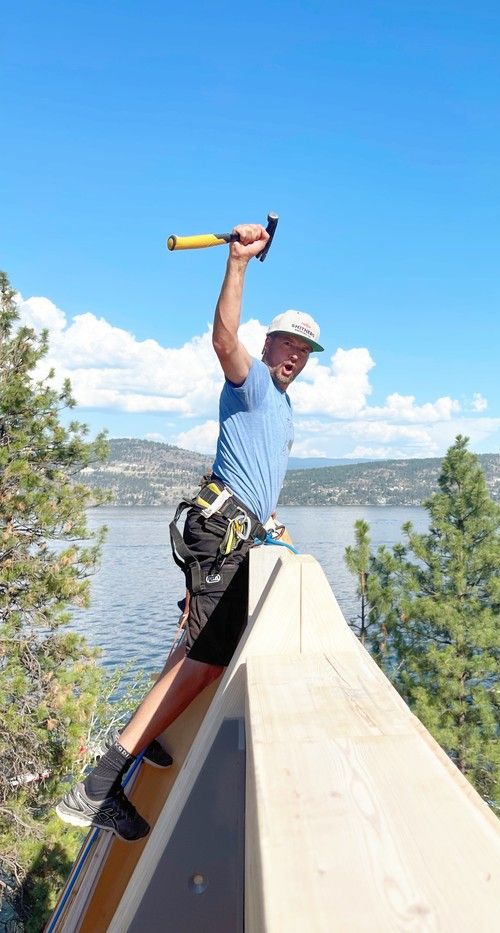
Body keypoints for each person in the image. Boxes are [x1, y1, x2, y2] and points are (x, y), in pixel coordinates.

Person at [56, 223, 323, 841]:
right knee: (205, 664)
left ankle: (140, 735)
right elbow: (223, 334)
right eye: (289, 343)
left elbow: (248, 466)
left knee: (191, 651)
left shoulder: (282, 407)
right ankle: (97, 787)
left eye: (306, 351)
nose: (296, 357)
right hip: (222, 531)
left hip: (236, 529)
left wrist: (265, 520)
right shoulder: (252, 379)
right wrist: (238, 263)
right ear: (270, 341)